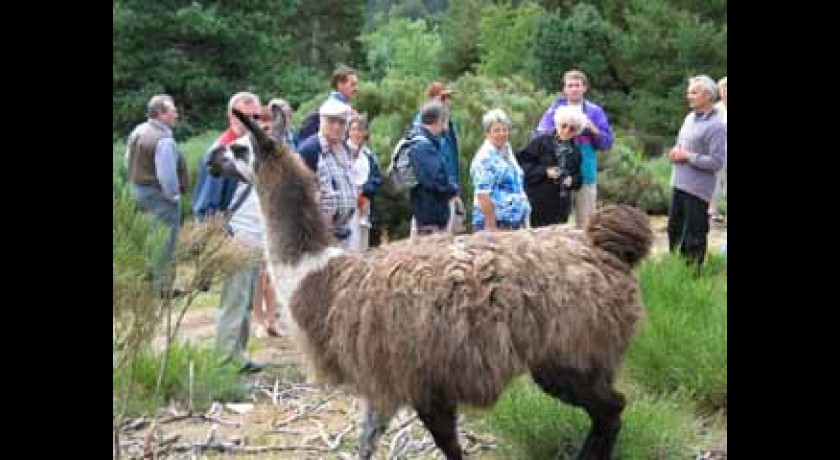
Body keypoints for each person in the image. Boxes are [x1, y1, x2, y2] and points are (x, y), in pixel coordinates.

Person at [194, 91, 267, 373]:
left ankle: (238, 354)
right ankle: (225, 361)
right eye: (245, 116)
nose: (252, 121)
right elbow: (208, 203)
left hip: (253, 235)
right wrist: (219, 240)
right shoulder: (222, 150)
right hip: (234, 236)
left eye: (256, 116)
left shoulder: (250, 148)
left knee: (246, 300)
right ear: (231, 116)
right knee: (233, 300)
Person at [124, 94, 188, 296]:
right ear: (161, 113)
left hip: (138, 190)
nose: (176, 114)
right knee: (166, 241)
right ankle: (163, 288)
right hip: (158, 195)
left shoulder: (139, 130)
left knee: (150, 237)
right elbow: (167, 176)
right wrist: (174, 197)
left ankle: (149, 282)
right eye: (173, 111)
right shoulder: (164, 139)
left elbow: (127, 160)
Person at [534, 69, 614, 229]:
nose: (574, 89)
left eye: (577, 85)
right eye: (570, 86)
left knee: (586, 225)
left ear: (585, 88)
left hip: (585, 173)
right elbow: (539, 135)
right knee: (555, 224)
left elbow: (607, 143)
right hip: (559, 174)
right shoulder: (554, 109)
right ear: (564, 89)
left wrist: (592, 129)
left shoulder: (595, 111)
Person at [666, 75, 727, 270]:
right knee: (674, 230)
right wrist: (675, 152)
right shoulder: (689, 117)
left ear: (708, 96)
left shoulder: (717, 126)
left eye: (694, 92)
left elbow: (717, 162)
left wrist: (687, 156)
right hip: (678, 183)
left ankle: (693, 276)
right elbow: (681, 144)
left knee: (694, 237)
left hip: (698, 190)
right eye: (689, 92)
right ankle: (675, 270)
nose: (688, 96)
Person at [297, 98, 358, 248]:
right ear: (321, 121)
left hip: (343, 231)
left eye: (342, 122)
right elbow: (300, 195)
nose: (336, 127)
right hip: (320, 236)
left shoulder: (345, 148)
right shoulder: (310, 150)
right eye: (331, 121)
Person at [517, 106, 584, 227]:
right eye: (564, 126)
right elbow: (521, 164)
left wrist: (571, 181)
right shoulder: (541, 142)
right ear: (557, 124)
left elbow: (579, 179)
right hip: (538, 203)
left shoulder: (576, 151)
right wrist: (545, 172)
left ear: (577, 131)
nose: (567, 131)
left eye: (572, 128)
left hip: (561, 206)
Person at [411, 81, 464, 235]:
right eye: (443, 97)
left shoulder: (445, 125)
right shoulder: (422, 132)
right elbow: (432, 177)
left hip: (447, 191)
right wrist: (450, 187)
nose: (447, 101)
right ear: (433, 99)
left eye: (448, 97)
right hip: (430, 204)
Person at [470, 109, 530, 231]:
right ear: (487, 133)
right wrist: (491, 226)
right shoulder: (485, 158)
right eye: (496, 130)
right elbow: (483, 194)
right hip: (496, 223)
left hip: (514, 221)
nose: (502, 133)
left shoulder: (506, 150)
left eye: (504, 129)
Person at [297, 65, 360, 143]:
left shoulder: (345, 108)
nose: (357, 88)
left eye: (357, 84)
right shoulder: (332, 109)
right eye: (353, 84)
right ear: (340, 85)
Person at [346, 116, 382, 252]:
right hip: (348, 202)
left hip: (365, 203)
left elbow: (376, 178)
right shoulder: (342, 152)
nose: (356, 133)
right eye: (353, 129)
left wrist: (365, 190)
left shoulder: (369, 155)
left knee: (363, 241)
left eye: (360, 130)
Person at [708, 76, 727, 223]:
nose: (725, 91)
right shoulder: (716, 109)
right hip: (718, 150)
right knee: (716, 181)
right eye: (723, 88)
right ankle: (713, 210)